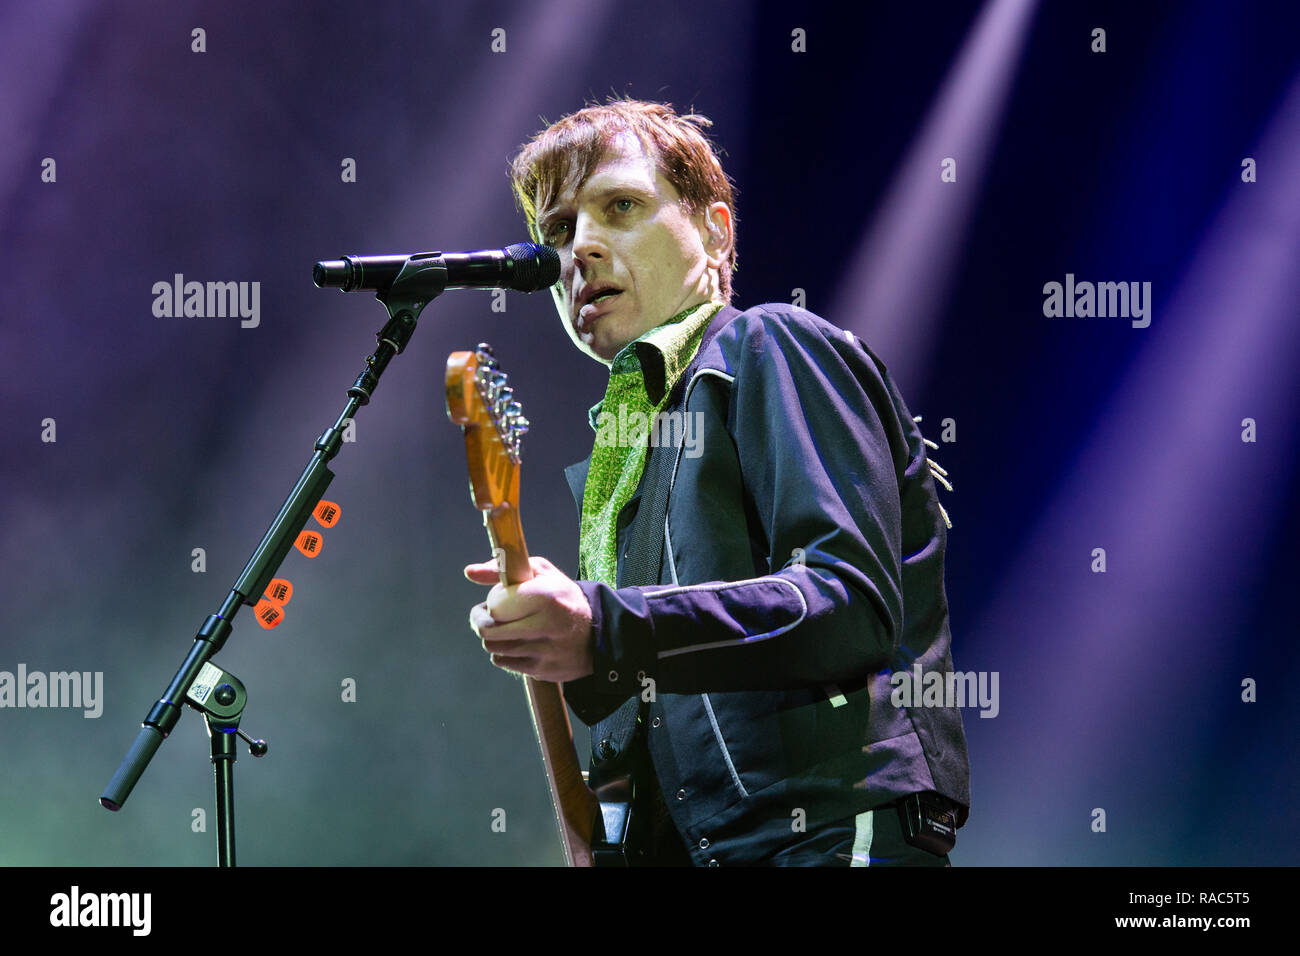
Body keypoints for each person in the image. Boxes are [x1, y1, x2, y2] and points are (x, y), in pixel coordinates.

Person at [464, 99, 970, 866]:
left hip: (823, 836)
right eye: (559, 231)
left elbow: (848, 604)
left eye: (621, 206)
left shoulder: (771, 344)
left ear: (714, 230)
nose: (583, 248)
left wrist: (605, 625)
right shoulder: (630, 462)